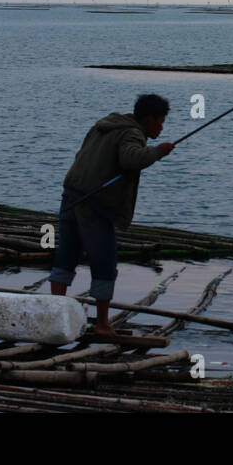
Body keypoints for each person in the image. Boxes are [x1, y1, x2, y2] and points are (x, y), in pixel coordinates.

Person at [50, 94, 175, 337]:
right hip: (95, 203)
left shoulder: (105, 124)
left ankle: (56, 315)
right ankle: (103, 325)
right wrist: (158, 151)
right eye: (160, 121)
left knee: (66, 255)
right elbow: (131, 159)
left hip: (71, 194)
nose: (162, 127)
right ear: (148, 120)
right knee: (104, 263)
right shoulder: (132, 133)